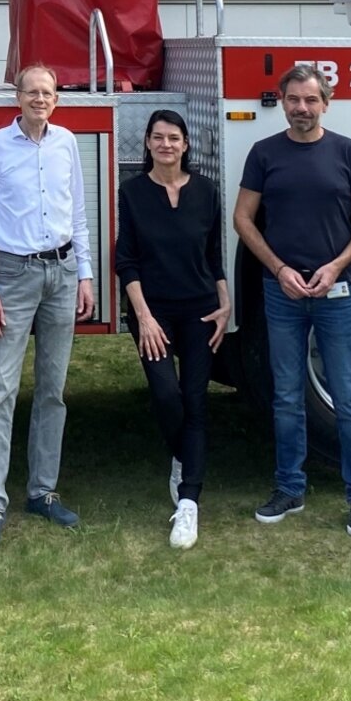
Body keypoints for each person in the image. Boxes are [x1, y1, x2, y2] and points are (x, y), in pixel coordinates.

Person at [234, 63, 351, 538]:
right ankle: (289, 487)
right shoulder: (263, 153)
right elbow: (243, 218)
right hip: (281, 293)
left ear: (326, 103)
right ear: (281, 100)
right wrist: (278, 269)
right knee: (286, 396)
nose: (302, 108)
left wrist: (336, 266)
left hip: (336, 291)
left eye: (311, 100)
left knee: (346, 395)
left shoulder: (347, 152)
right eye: (294, 99)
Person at [0, 64, 94, 547]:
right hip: (13, 277)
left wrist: (84, 274)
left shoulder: (66, 144)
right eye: (32, 91)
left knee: (53, 390)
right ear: (17, 97)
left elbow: (77, 213)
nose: (40, 99)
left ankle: (42, 492)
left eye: (48, 92)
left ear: (57, 99)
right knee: (0, 391)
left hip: (61, 276)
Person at [115, 108, 229, 551]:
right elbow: (127, 260)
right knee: (167, 394)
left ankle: (188, 502)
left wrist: (225, 304)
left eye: (174, 138)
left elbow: (214, 256)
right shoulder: (133, 193)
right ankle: (184, 457)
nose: (166, 145)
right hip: (154, 312)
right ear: (147, 144)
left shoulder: (206, 191)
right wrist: (143, 317)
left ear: (185, 145)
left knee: (196, 399)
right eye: (158, 137)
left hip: (201, 310)